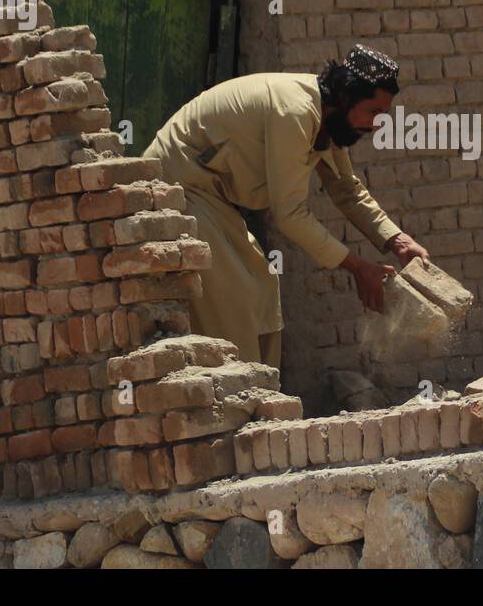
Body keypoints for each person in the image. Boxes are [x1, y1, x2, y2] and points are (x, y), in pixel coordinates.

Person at [142, 44, 429, 368]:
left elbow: (346, 190)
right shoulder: (294, 112)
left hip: (211, 197)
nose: (376, 124)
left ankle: (264, 395)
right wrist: (359, 269)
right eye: (373, 112)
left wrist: (399, 242)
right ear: (348, 97)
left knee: (263, 289)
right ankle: (236, 399)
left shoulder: (329, 117)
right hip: (177, 184)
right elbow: (289, 214)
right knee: (233, 297)